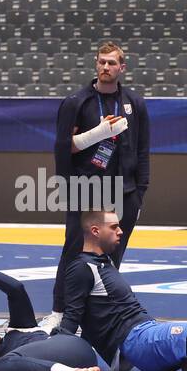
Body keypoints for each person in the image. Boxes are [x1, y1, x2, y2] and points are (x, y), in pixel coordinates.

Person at [47, 42, 150, 329]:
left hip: (124, 191)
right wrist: (98, 133)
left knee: (113, 255)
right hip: (85, 189)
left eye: (112, 63)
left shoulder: (135, 104)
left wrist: (140, 193)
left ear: (122, 67)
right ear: (96, 64)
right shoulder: (76, 102)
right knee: (73, 252)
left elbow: (143, 150)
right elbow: (63, 147)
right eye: (102, 62)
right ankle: (59, 312)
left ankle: (102, 317)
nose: (106, 67)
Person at [59, 209, 187, 371]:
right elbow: (73, 315)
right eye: (114, 227)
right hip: (138, 341)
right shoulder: (82, 267)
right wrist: (54, 355)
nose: (120, 231)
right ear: (95, 231)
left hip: (147, 334)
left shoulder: (104, 262)